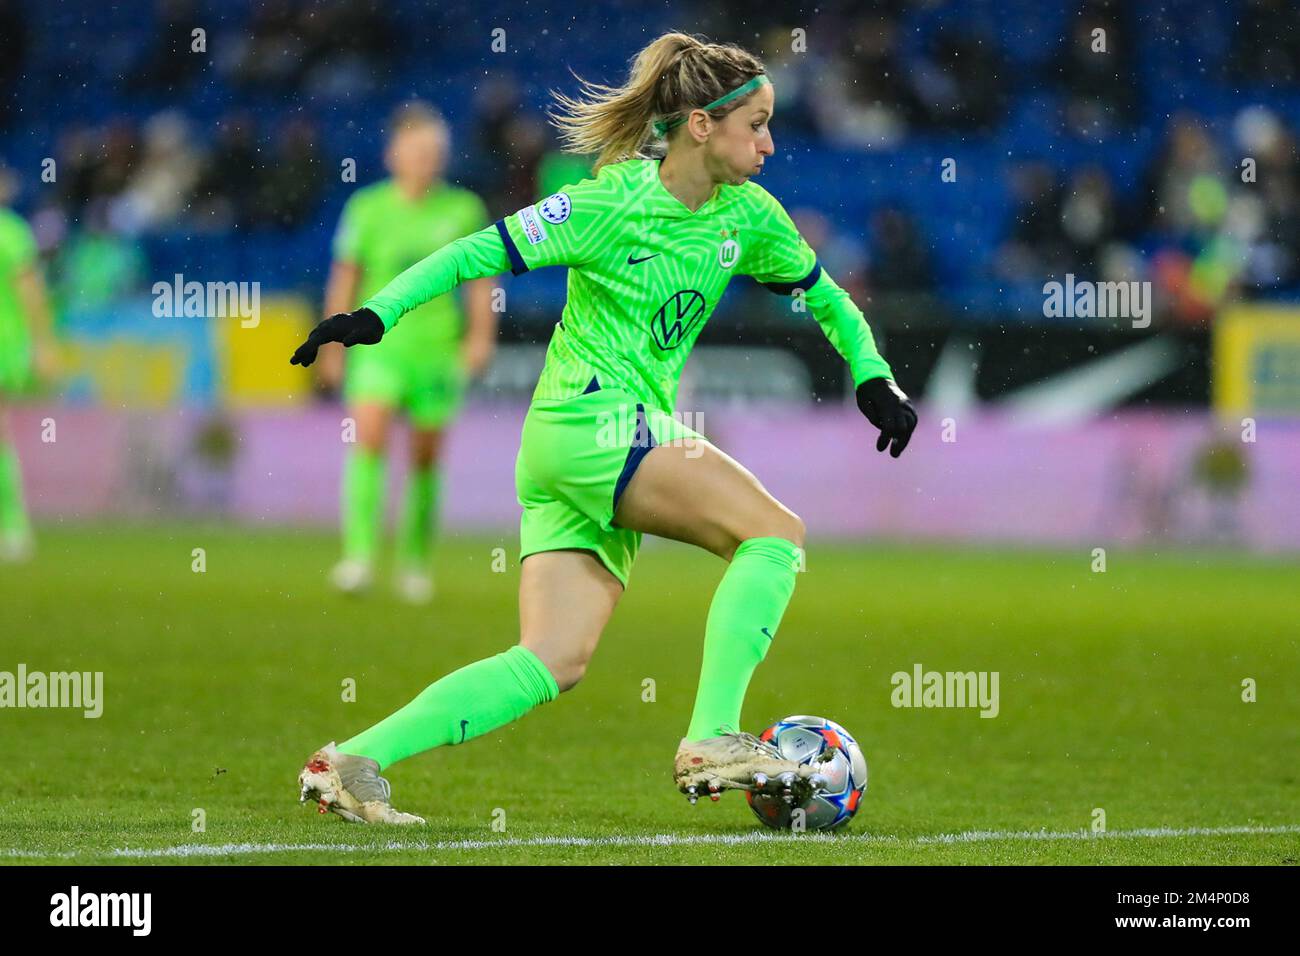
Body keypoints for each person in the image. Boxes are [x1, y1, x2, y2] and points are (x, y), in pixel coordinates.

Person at [290, 33, 917, 824]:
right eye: (755, 124)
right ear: (699, 125)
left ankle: (349, 761)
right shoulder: (607, 204)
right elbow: (473, 253)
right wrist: (377, 314)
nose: (770, 142)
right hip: (595, 422)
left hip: (564, 448)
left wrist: (871, 372)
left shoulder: (749, 216)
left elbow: (825, 294)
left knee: (552, 659)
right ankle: (711, 737)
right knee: (775, 536)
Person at [316, 102, 496, 603]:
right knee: (369, 434)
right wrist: (332, 344)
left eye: (435, 152)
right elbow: (345, 277)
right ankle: (358, 558)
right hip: (378, 348)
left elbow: (482, 282)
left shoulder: (462, 210)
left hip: (436, 351)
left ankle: (414, 564)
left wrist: (479, 338)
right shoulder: (367, 209)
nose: (427, 160)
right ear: (394, 154)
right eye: (418, 151)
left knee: (424, 455)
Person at [0, 168, 57, 562]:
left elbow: (29, 291)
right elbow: (31, 291)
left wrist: (41, 344)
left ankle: (13, 526)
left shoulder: (12, 233)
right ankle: (14, 526)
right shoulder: (13, 231)